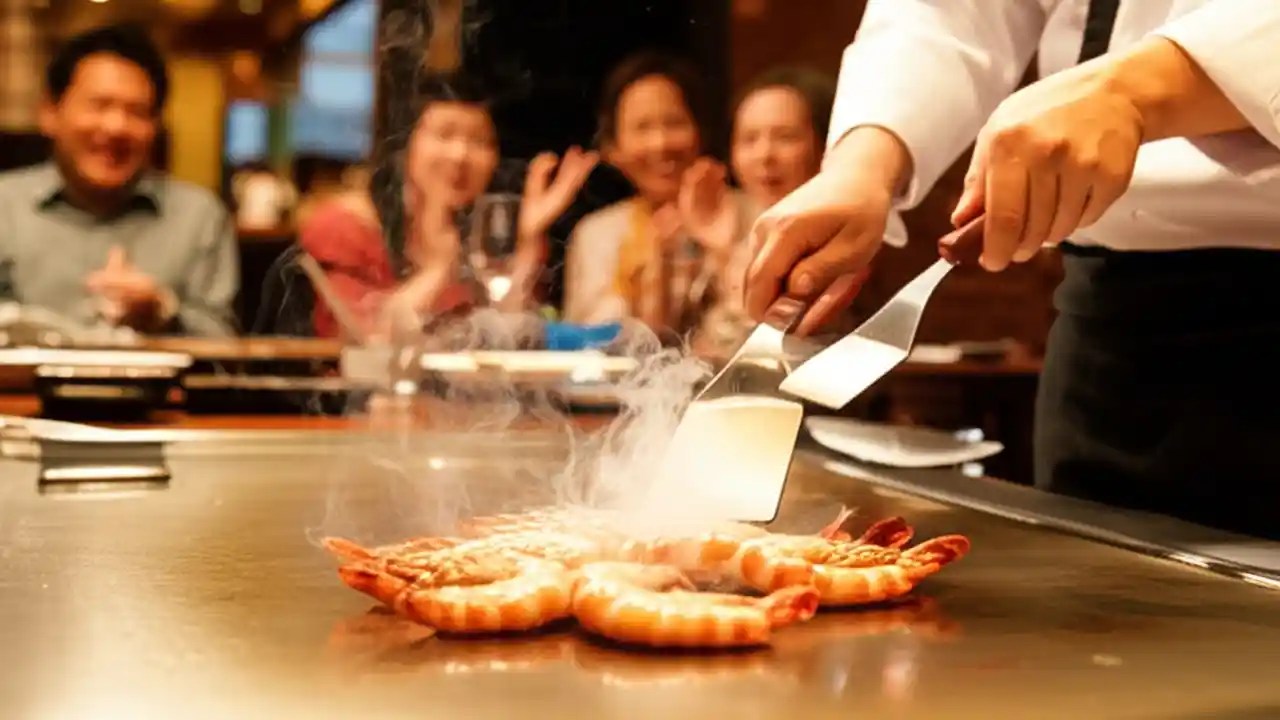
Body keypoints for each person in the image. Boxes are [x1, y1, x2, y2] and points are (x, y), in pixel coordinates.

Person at [742, 1, 1280, 539]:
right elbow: (953, 12)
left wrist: (1138, 85)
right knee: (1096, 603)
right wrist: (862, 163)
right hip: (1109, 334)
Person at [298, 74, 597, 340]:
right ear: (405, 144)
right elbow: (370, 340)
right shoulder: (346, 228)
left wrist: (529, 238)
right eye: (444, 134)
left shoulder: (483, 236)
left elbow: (507, 337)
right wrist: (439, 269)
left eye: (480, 141)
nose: (460, 155)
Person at [0, 23, 237, 336]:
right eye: (99, 105)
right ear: (49, 113)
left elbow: (225, 344)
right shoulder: (5, 206)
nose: (116, 127)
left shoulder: (199, 216)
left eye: (137, 111)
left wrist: (164, 314)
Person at [687, 66, 908, 353]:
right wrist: (721, 249)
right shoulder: (735, 224)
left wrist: (726, 254)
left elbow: (766, 353)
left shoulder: (847, 231)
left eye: (786, 137)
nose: (765, 155)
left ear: (826, 146)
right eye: (749, 139)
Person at [563, 51, 735, 337]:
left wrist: (721, 253)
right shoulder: (596, 234)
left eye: (675, 123)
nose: (660, 143)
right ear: (613, 149)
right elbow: (584, 342)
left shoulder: (748, 215)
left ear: (700, 132)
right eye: (642, 128)